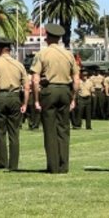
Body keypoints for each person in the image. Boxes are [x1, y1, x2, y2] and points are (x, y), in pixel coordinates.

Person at [30, 24, 79, 174]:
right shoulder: (69, 55)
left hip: (49, 91)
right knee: (63, 129)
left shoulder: (42, 54)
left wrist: (37, 99)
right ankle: (64, 165)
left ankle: (53, 165)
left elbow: (35, 79)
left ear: (48, 37)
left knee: (50, 130)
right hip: (65, 90)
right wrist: (73, 98)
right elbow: (76, 79)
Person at [0, 37, 30, 171]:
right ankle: (14, 164)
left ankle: (3, 162)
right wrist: (25, 103)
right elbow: (27, 86)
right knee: (14, 132)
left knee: (0, 131)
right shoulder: (19, 64)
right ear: (10, 49)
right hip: (15, 97)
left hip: (0, 96)